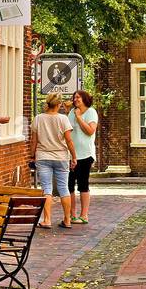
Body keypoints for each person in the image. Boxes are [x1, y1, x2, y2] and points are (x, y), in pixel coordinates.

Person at [31, 94, 76, 229]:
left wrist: (32, 155)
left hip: (43, 156)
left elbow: (34, 140)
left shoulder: (38, 118)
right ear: (59, 105)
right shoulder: (63, 119)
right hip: (61, 157)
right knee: (63, 188)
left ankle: (47, 220)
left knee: (46, 188)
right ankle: (67, 220)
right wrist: (74, 156)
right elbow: (69, 140)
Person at [68, 90, 99, 224]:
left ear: (85, 99)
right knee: (69, 186)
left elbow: (90, 131)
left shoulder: (91, 112)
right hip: (71, 154)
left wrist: (80, 117)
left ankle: (84, 215)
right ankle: (71, 214)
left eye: (78, 97)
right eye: (74, 98)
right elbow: (67, 131)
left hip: (85, 154)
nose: (75, 100)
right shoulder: (71, 113)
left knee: (83, 185)